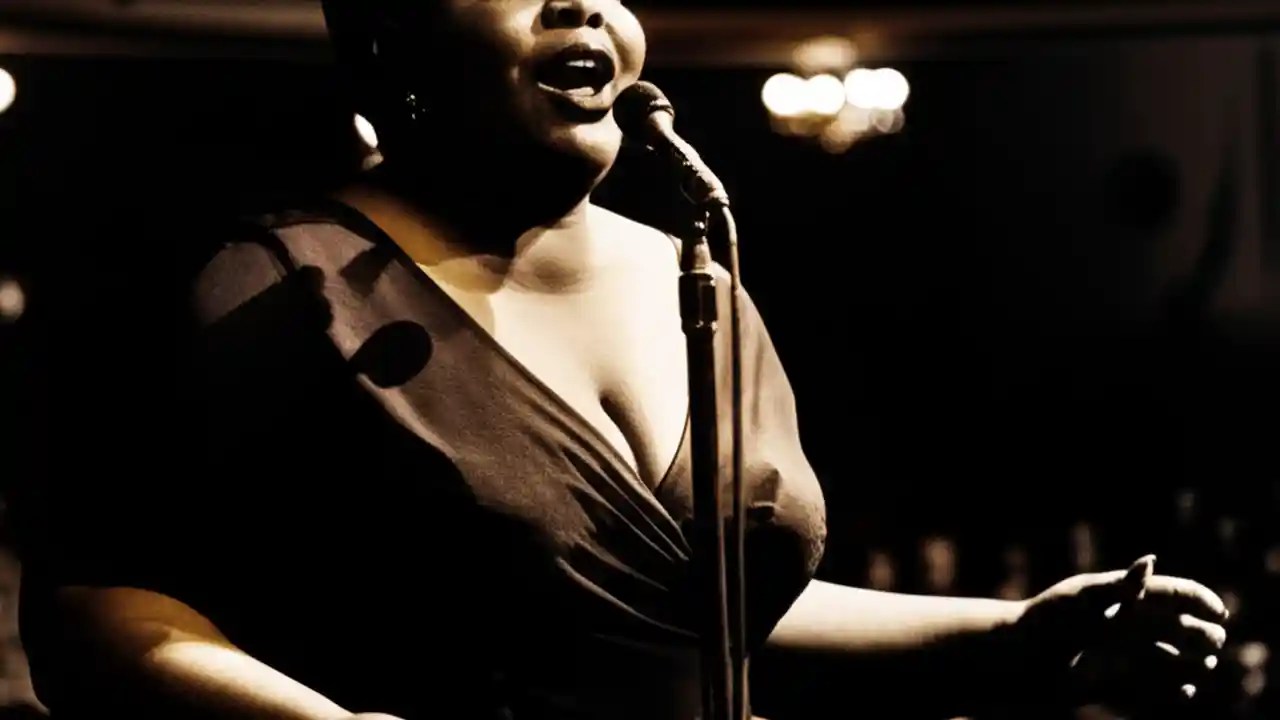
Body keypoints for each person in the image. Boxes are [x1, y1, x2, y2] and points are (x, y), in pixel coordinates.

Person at [18, 1, 1229, 719]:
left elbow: (706, 614)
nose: (580, 0)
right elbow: (98, 609)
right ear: (387, 39)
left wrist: (1009, 639)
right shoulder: (266, 284)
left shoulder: (693, 268)